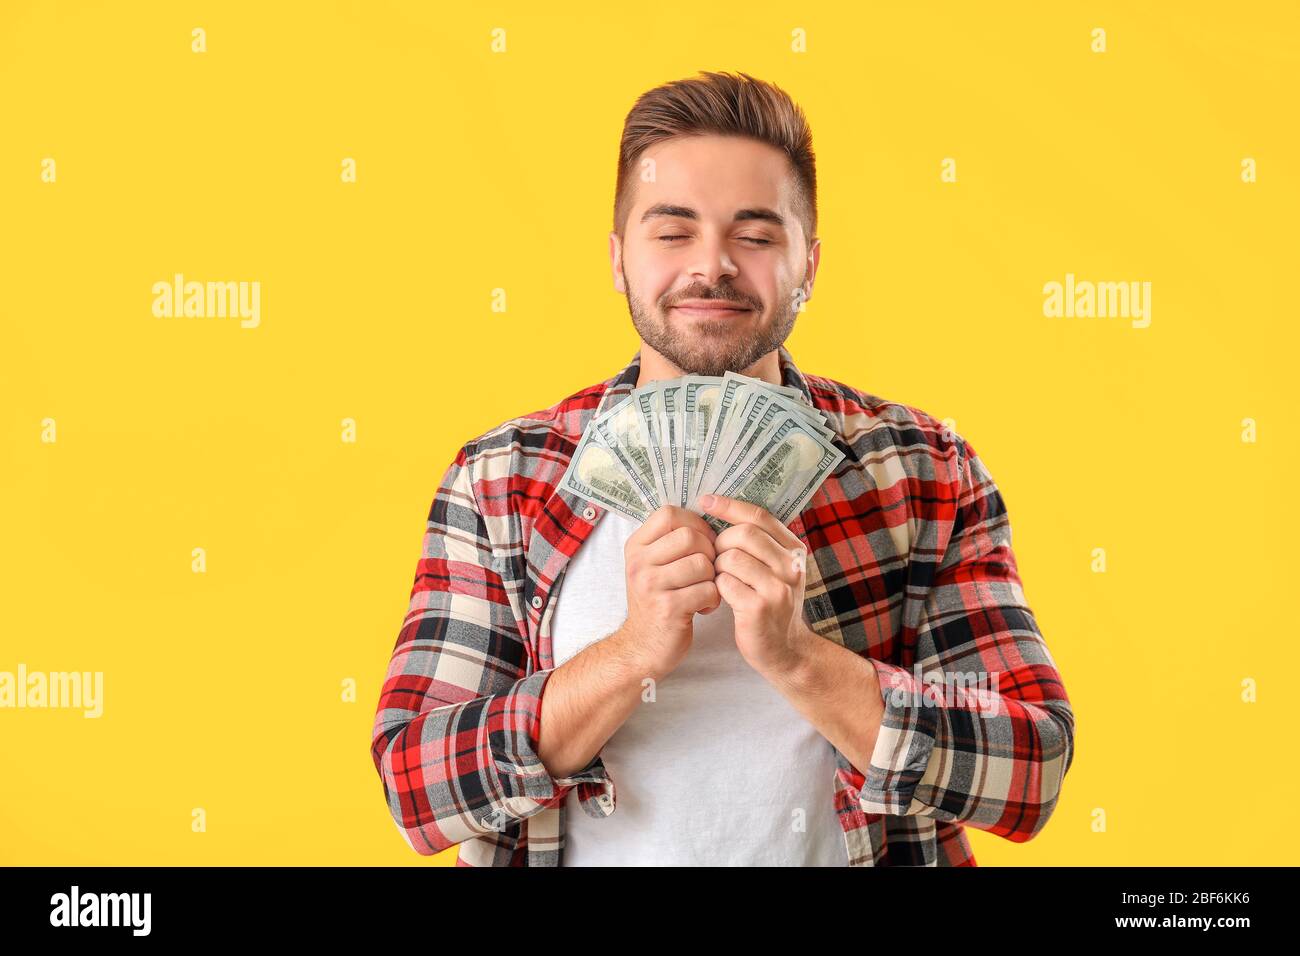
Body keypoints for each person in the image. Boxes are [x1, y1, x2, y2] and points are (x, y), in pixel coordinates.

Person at [369, 71, 1075, 866]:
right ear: (617, 259)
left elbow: (1031, 767)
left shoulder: (921, 469)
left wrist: (800, 659)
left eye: (756, 234)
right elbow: (415, 788)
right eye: (673, 232)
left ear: (809, 262)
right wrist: (628, 654)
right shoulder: (502, 478)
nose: (713, 266)